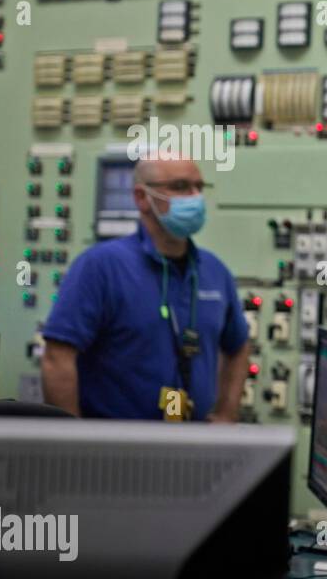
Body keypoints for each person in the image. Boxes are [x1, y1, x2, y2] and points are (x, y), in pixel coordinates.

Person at [41, 153, 251, 422]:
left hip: (192, 447)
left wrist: (226, 414)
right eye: (180, 187)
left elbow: (239, 346)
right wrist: (73, 441)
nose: (195, 197)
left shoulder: (214, 271)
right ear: (142, 197)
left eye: (199, 187)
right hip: (115, 448)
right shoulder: (101, 266)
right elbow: (57, 356)